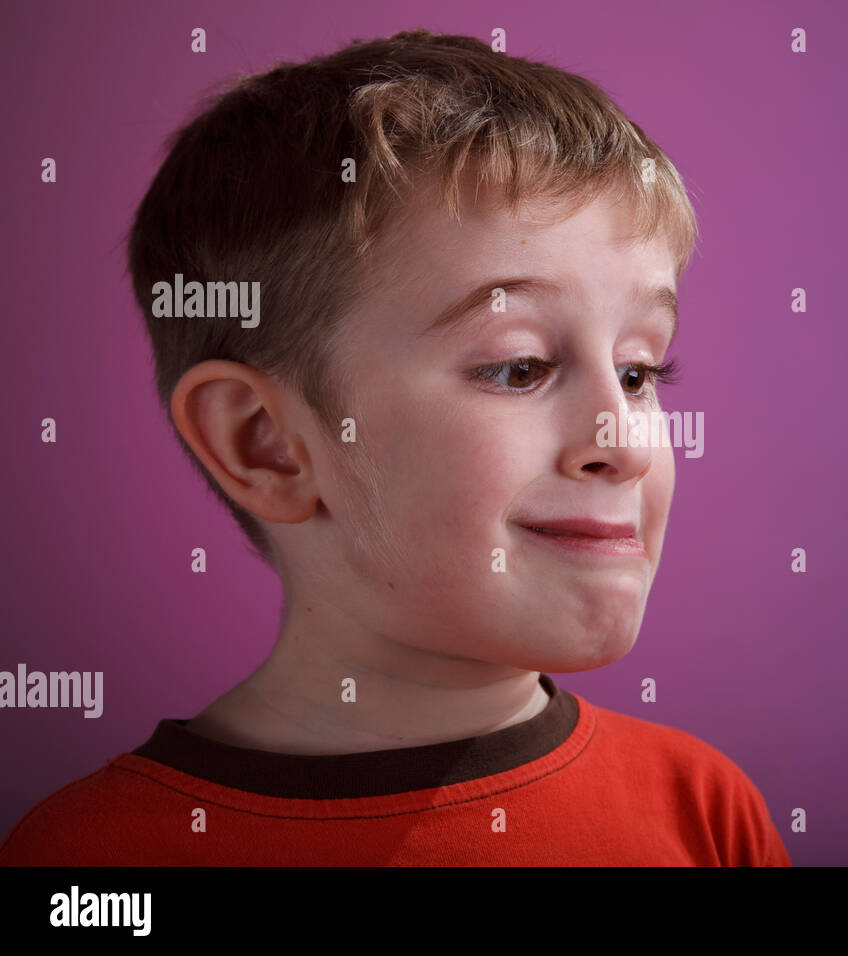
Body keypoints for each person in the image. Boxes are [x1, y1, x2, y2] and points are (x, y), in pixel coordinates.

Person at [0, 29, 791, 866]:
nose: (621, 442)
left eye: (639, 371)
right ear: (267, 445)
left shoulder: (704, 810)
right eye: (518, 366)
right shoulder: (90, 859)